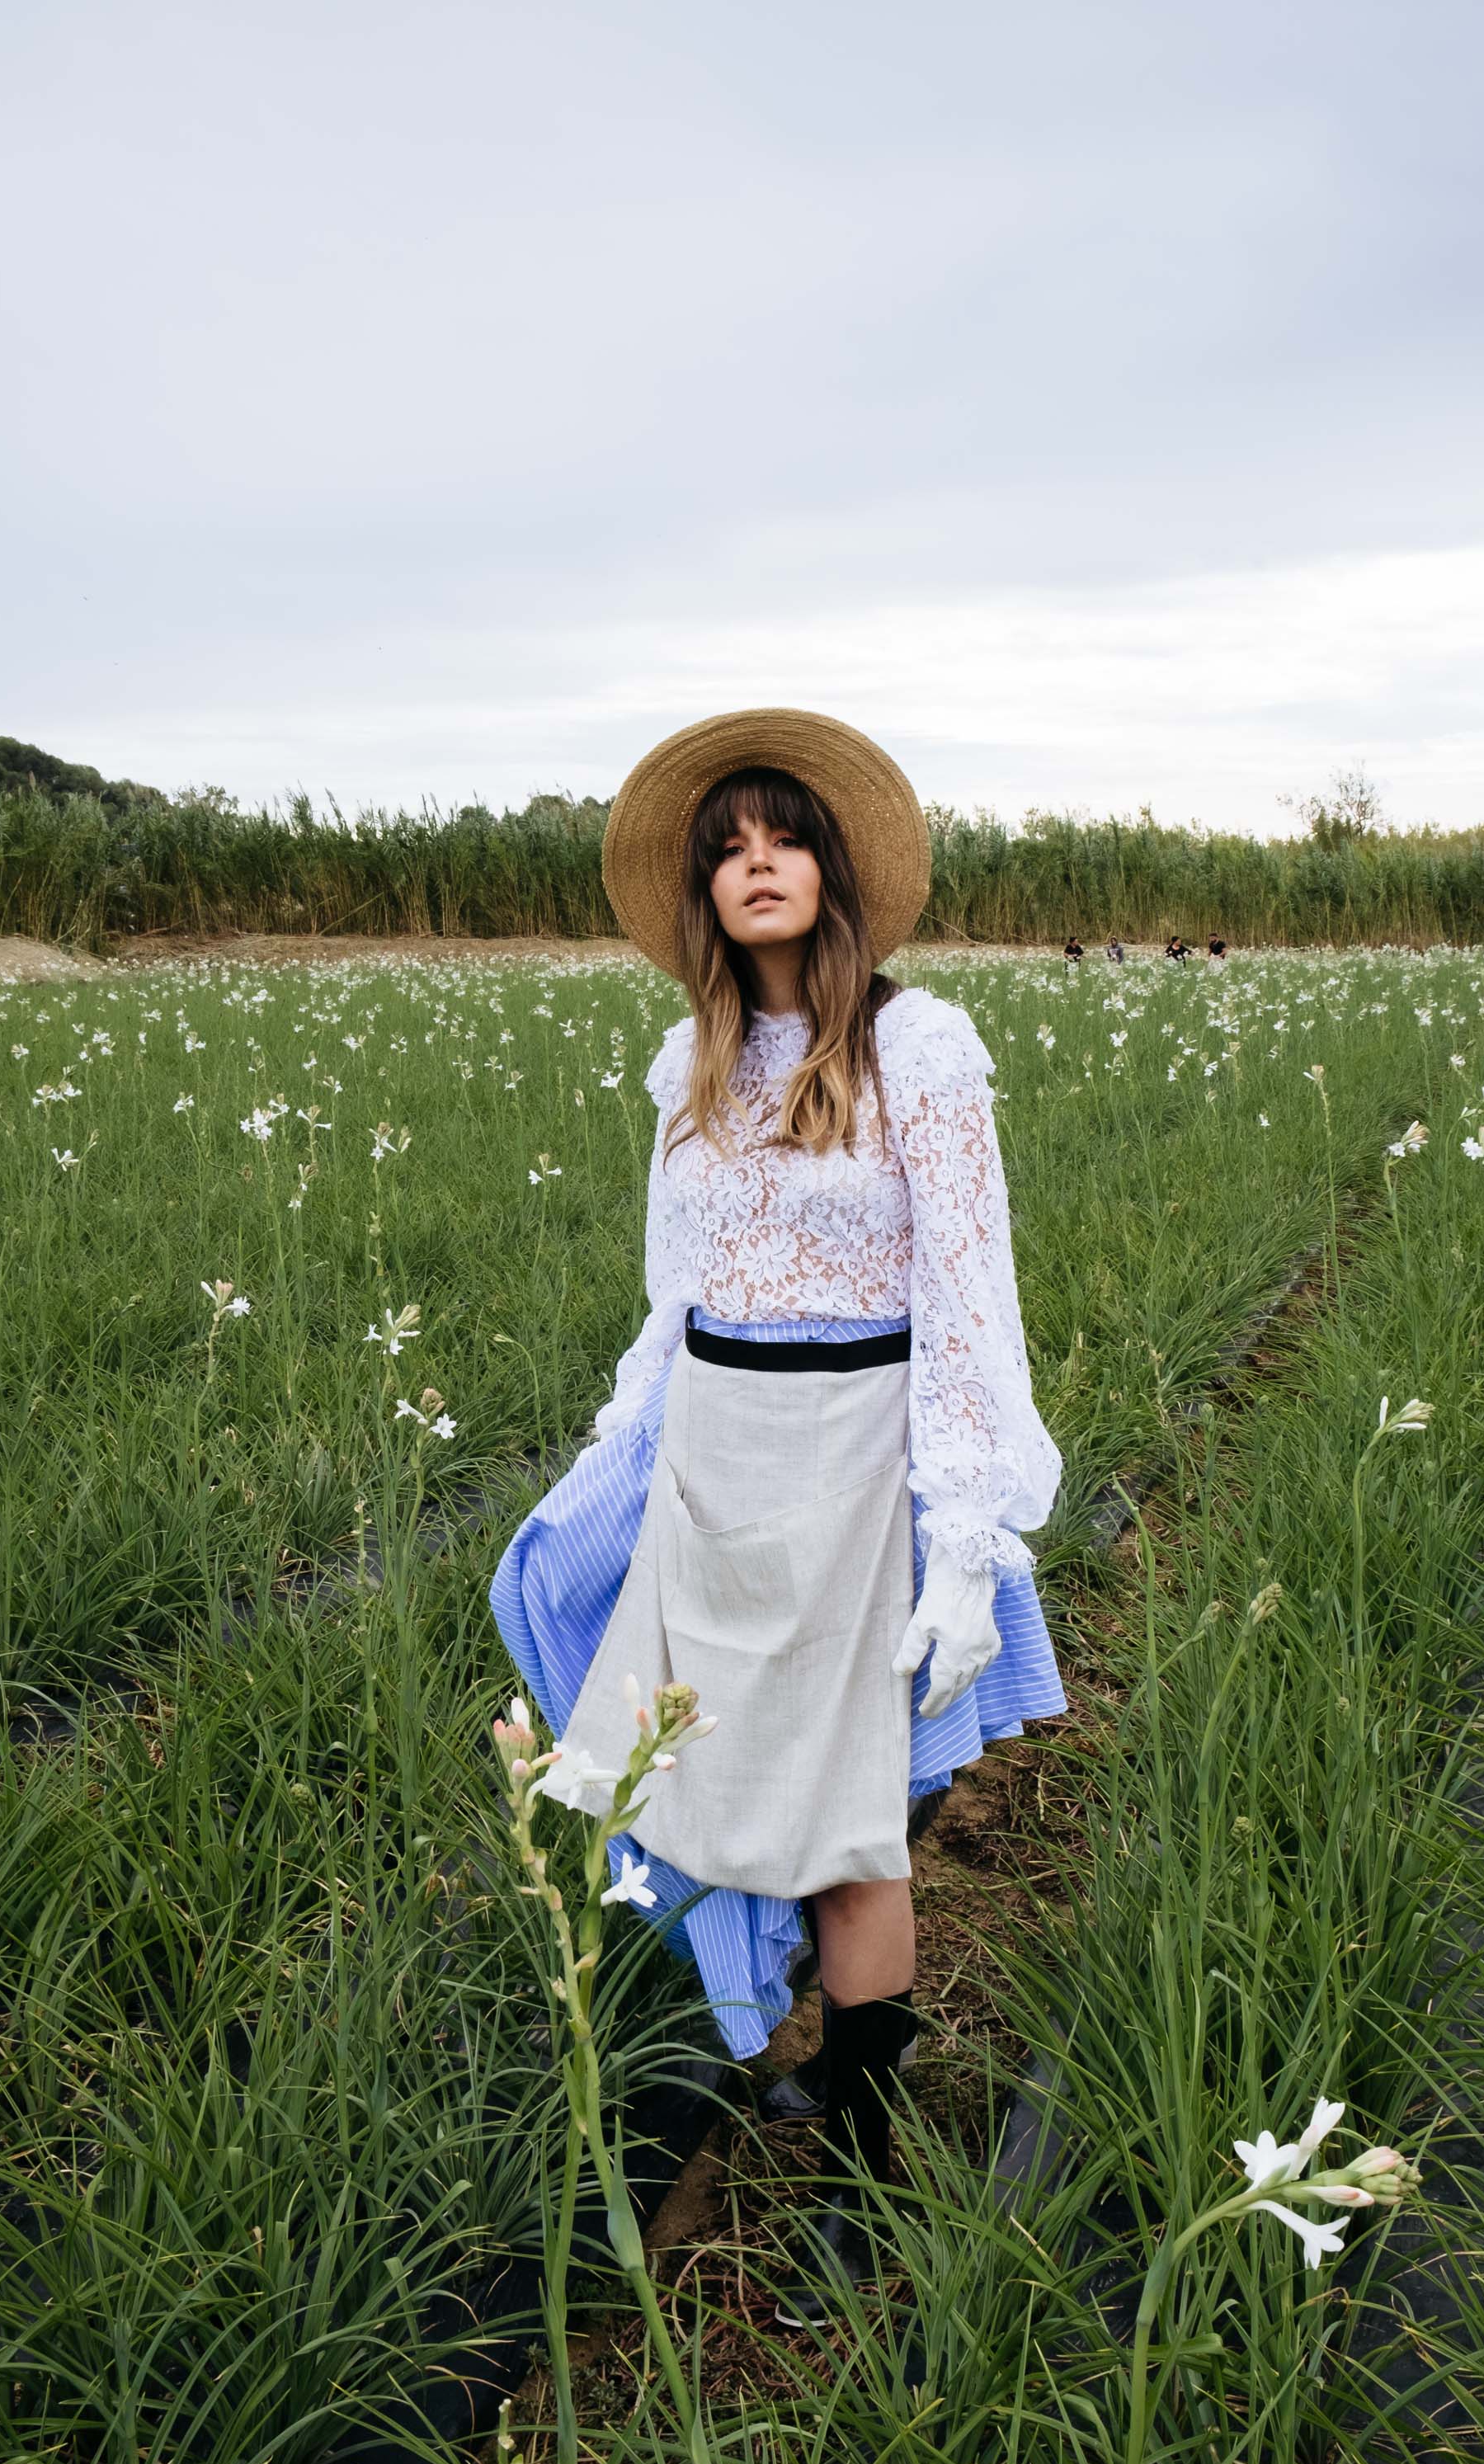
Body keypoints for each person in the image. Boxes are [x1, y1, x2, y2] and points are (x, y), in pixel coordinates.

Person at [489, 709, 1067, 2328]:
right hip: (711, 1462)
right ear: (699, 889)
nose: (755, 864)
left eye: (783, 837)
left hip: (849, 1464)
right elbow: (673, 1298)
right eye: (726, 846)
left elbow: (967, 1302)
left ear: (829, 872)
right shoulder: (683, 1069)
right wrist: (618, 1451)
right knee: (703, 1779)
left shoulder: (917, 1052)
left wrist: (964, 1537)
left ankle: (869, 2159)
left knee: (845, 1821)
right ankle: (806, 2056)